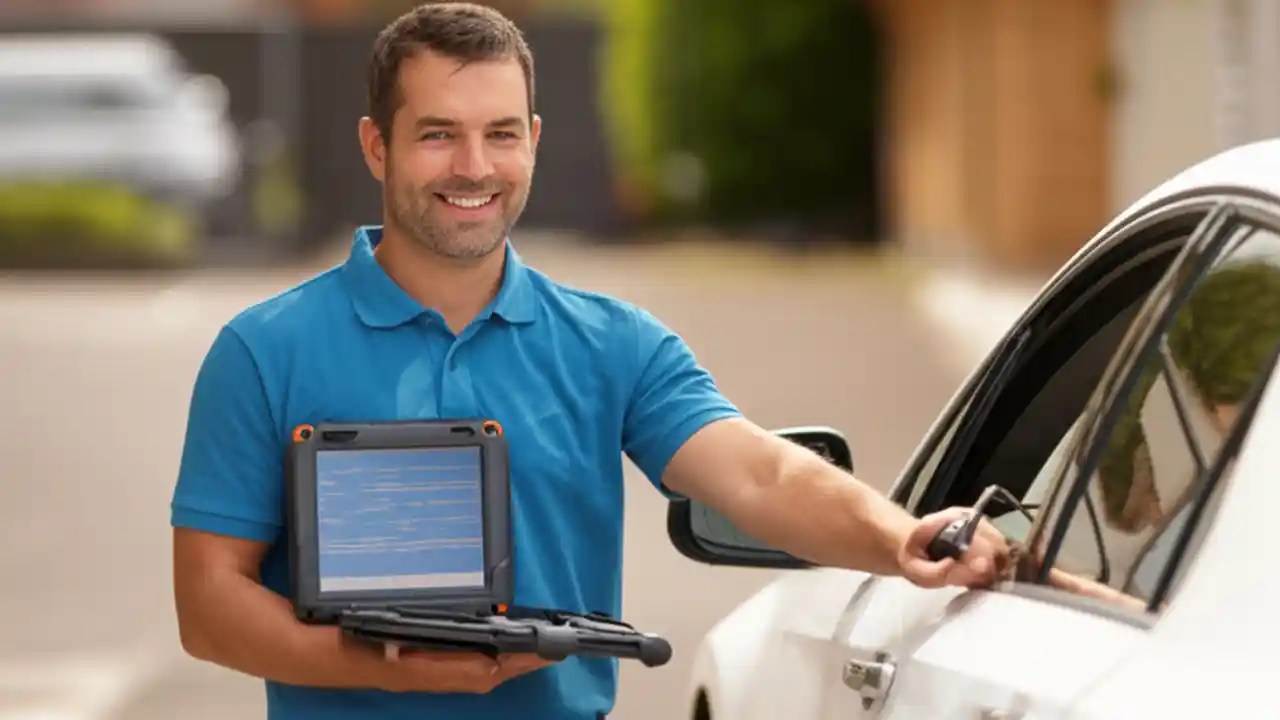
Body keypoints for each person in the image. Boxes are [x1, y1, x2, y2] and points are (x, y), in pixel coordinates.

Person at [169, 3, 1007, 719]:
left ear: (532, 140)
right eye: (437, 135)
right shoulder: (263, 350)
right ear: (376, 146)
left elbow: (759, 476)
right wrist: (389, 667)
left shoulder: (614, 344)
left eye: (501, 134)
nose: (474, 167)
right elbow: (209, 607)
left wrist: (902, 537)